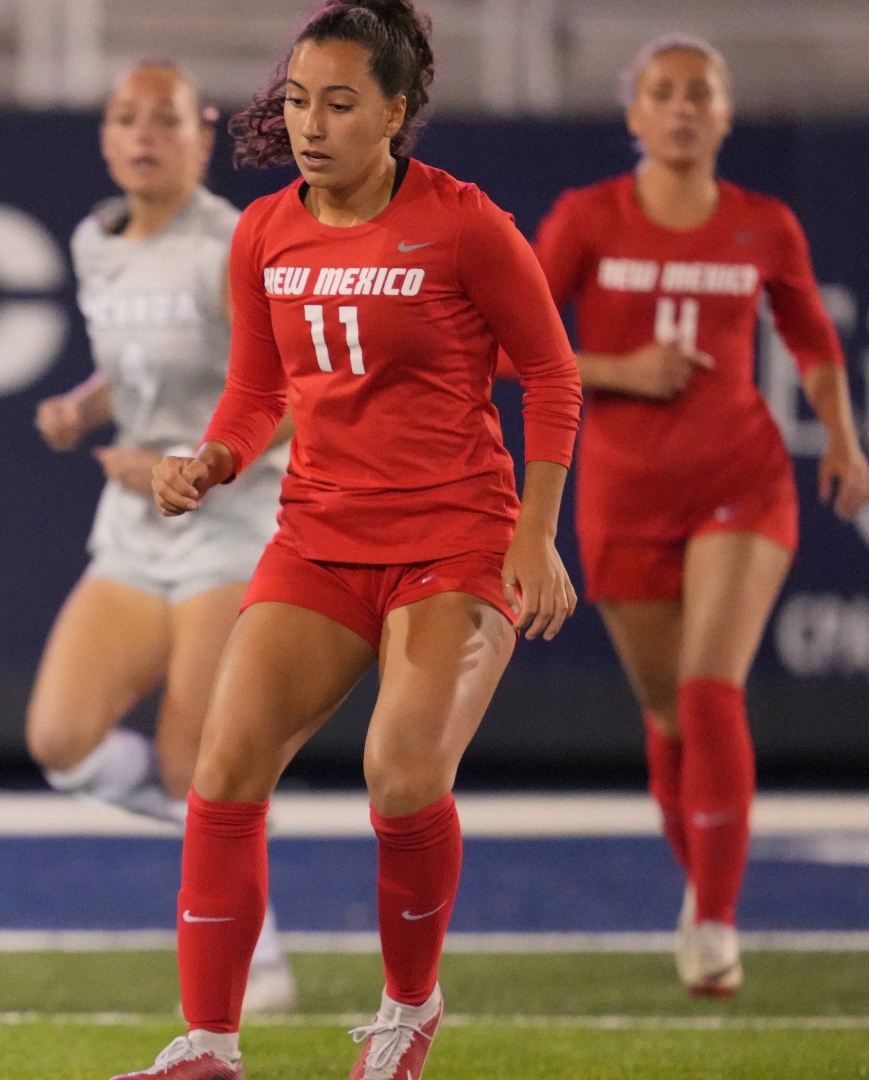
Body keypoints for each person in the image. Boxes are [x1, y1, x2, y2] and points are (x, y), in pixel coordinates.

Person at [108, 1, 584, 1077]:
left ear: (395, 111)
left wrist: (539, 535)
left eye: (339, 103)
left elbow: (551, 374)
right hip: (320, 536)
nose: (311, 124)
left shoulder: (465, 224)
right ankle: (209, 1047)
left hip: (454, 538)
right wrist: (213, 458)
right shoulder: (266, 232)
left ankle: (410, 1008)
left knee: (403, 773)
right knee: (223, 769)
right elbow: (255, 393)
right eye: (296, 102)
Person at [529, 35, 869, 998]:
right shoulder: (587, 219)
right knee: (669, 711)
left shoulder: (765, 225)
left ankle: (716, 919)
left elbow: (810, 336)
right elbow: (516, 346)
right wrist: (616, 371)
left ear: (724, 115)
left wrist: (841, 438)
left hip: (742, 479)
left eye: (700, 94)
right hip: (625, 491)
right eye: (663, 93)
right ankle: (702, 886)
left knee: (712, 687)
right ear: (634, 114)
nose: (681, 108)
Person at [29, 61, 298, 1013]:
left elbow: (296, 400)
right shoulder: (95, 241)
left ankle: (255, 943)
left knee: (201, 766)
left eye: (165, 119)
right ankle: (213, 840)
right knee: (61, 739)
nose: (143, 134)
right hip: (139, 527)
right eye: (125, 117)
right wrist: (81, 405)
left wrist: (186, 461)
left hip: (231, 520)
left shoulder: (234, 245)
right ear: (106, 136)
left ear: (202, 133)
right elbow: (134, 363)